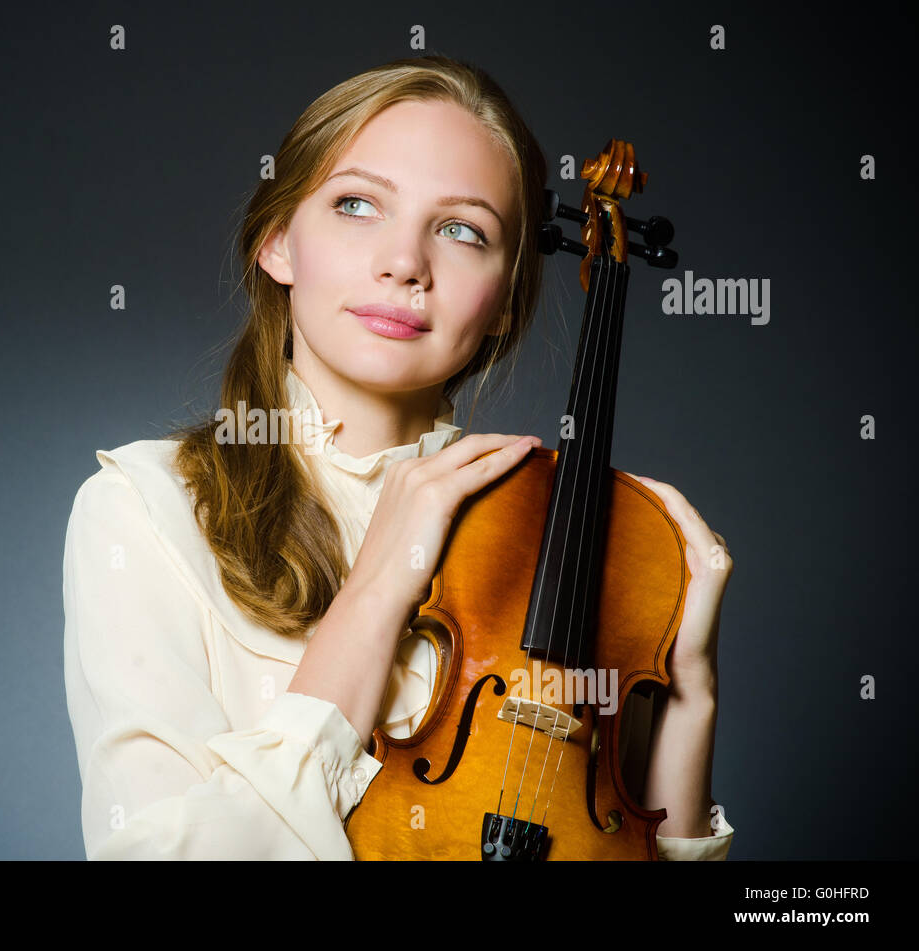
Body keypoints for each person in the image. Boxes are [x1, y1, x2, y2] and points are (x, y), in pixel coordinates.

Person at [62, 55, 735, 860]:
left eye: (462, 230)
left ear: (503, 304)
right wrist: (380, 582)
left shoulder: (556, 533)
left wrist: (687, 691)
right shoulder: (146, 508)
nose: (406, 263)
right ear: (278, 242)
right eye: (357, 205)